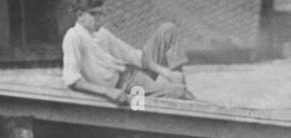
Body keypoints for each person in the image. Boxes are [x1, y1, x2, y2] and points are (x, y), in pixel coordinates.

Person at [61, 1, 194, 103]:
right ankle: (204, 111)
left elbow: (132, 55)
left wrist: (167, 73)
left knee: (168, 30)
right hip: (126, 87)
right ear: (79, 15)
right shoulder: (73, 37)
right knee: (179, 92)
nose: (101, 19)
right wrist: (108, 91)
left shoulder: (102, 33)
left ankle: (181, 86)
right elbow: (72, 80)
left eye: (102, 14)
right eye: (95, 15)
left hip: (133, 74)